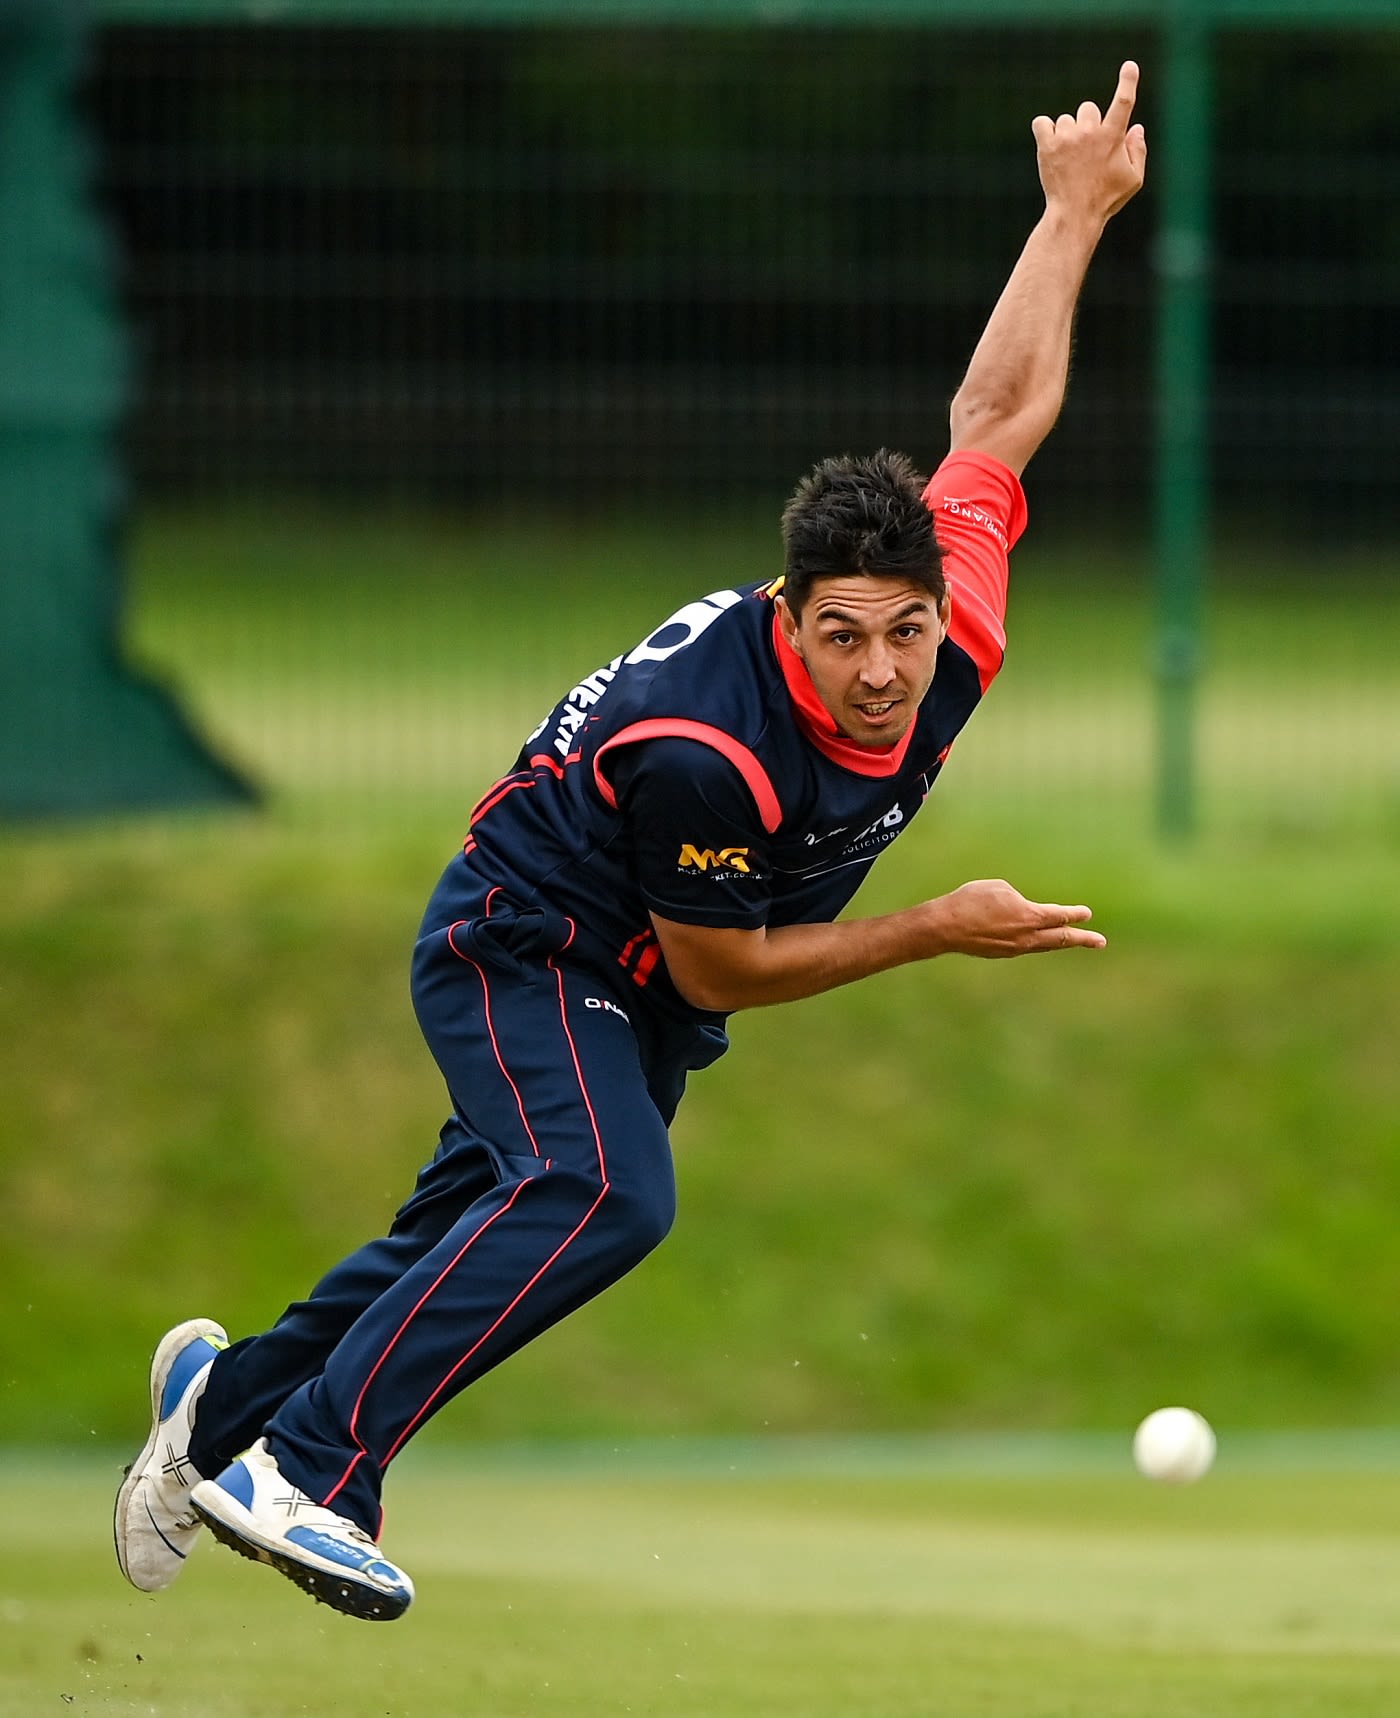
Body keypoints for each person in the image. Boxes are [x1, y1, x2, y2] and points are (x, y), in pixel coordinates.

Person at [114, 63, 1147, 1622]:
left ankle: (226, 1404)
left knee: (463, 1217)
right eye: (845, 637)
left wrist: (1070, 217)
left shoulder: (958, 622)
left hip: (636, 971)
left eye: (909, 634)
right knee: (606, 1190)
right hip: (524, 943)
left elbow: (995, 421)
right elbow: (721, 968)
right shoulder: (708, 751)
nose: (882, 672)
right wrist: (934, 925)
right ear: (787, 617)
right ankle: (314, 1468)